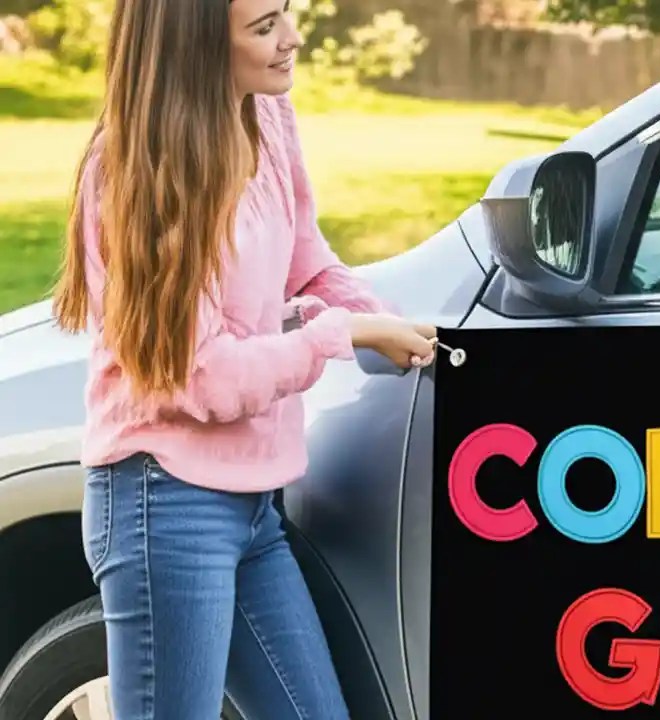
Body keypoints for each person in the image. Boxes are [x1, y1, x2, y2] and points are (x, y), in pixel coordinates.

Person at [48, 0, 438, 716]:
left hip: (253, 503)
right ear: (195, 44)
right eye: (264, 27)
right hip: (161, 503)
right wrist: (336, 337)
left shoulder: (265, 115)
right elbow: (209, 380)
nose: (292, 40)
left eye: (287, 13)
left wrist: (380, 319)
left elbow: (305, 257)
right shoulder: (134, 173)